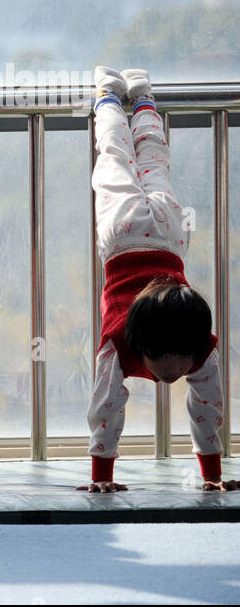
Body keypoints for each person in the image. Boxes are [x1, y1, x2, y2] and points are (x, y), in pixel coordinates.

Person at [82, 67, 235, 492]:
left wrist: (214, 478)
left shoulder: (189, 343)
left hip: (170, 235)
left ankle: (140, 96)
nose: (172, 373)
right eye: (169, 364)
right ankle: (109, 96)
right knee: (115, 157)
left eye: (177, 364)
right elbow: (209, 408)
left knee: (152, 163)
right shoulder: (138, 342)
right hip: (123, 232)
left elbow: (107, 409)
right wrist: (101, 478)